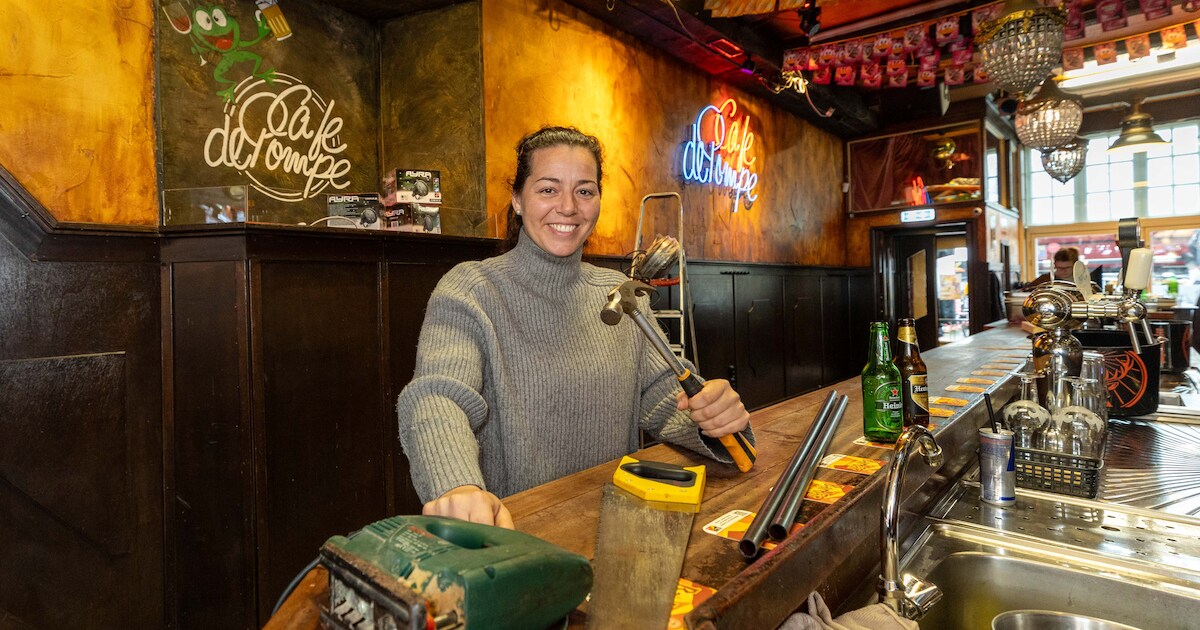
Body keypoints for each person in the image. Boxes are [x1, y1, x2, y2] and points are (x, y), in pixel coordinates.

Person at [396, 126, 752, 528]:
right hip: (510, 534)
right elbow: (439, 397)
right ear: (517, 199)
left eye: (584, 191)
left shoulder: (619, 293)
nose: (568, 207)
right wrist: (456, 486)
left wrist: (715, 418)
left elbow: (665, 396)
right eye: (548, 189)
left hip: (613, 527)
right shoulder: (472, 289)